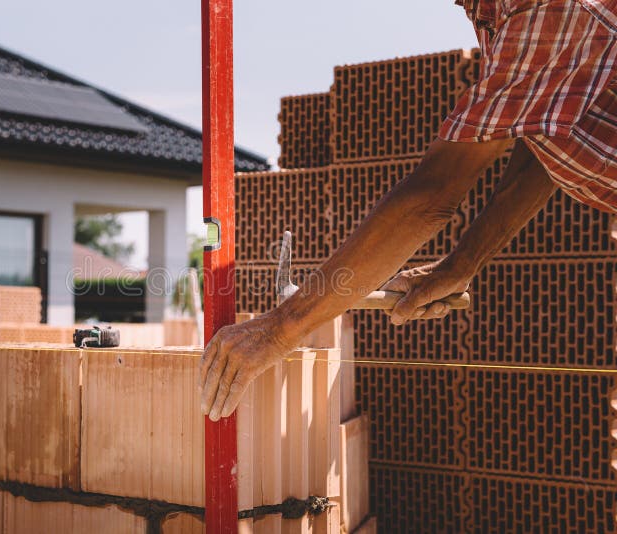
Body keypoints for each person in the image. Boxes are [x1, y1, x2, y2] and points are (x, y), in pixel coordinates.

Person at [200, 0, 617, 421]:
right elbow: (542, 135)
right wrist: (461, 264)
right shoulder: (496, 12)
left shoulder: (548, 7)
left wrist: (278, 331)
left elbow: (431, 195)